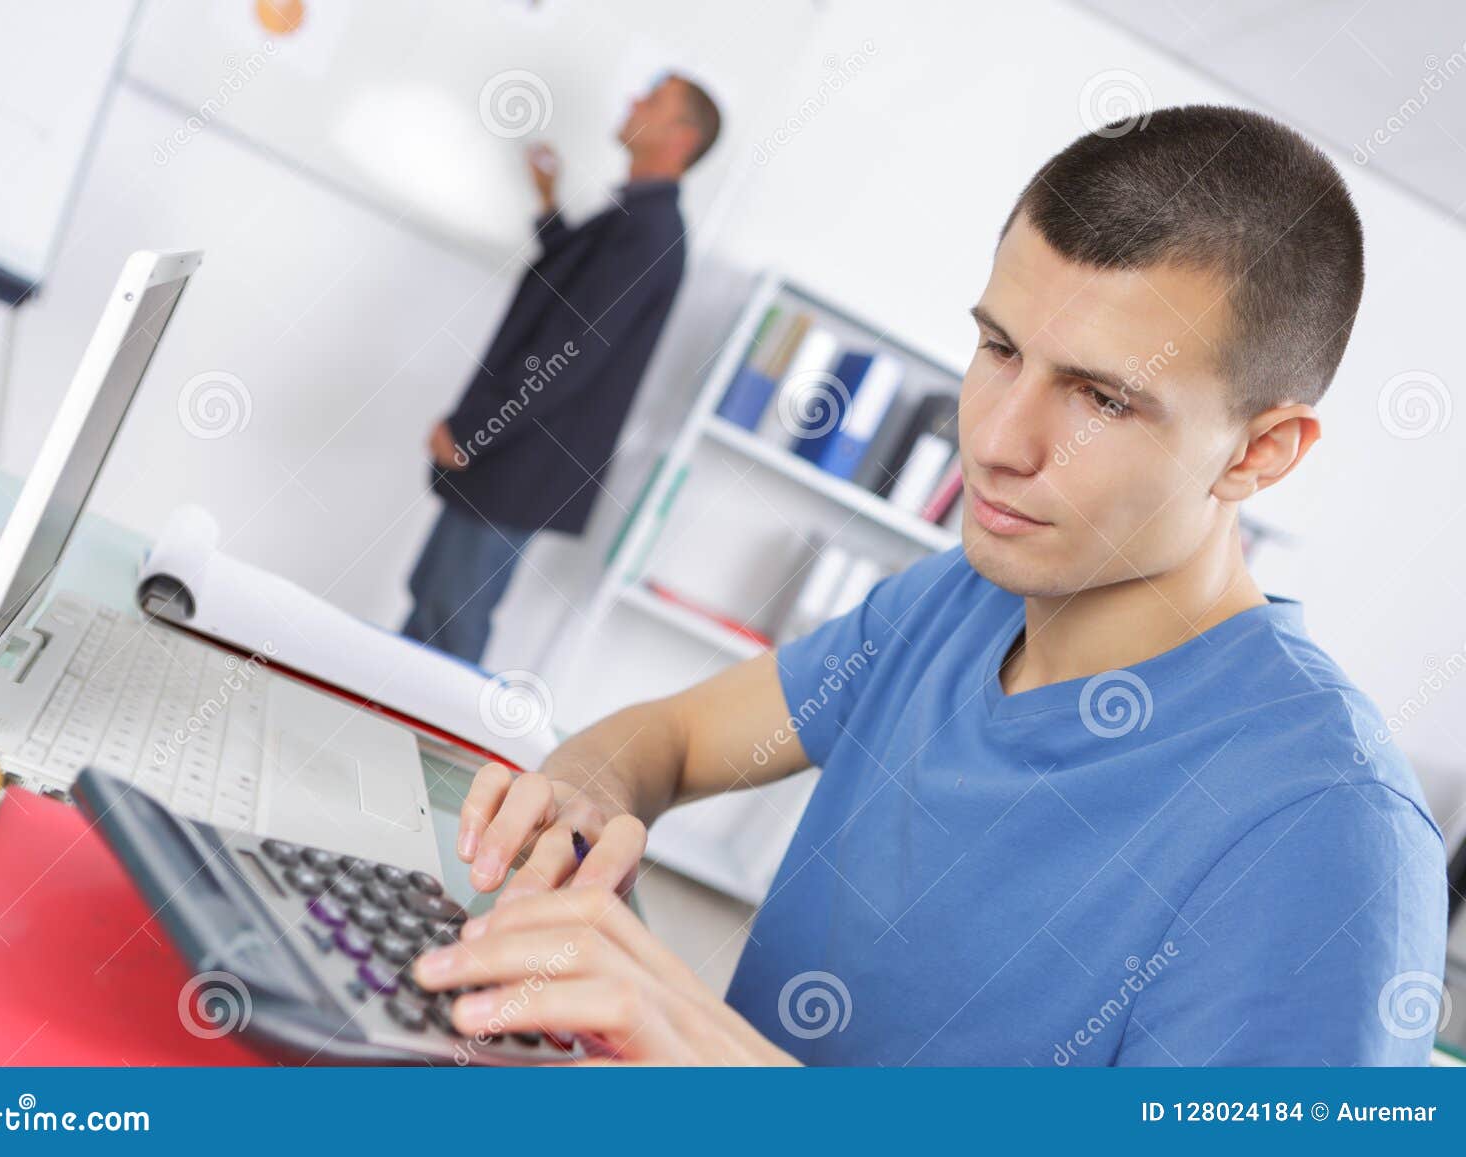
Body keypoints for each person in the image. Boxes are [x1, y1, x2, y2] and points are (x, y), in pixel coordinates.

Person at [409, 105, 1449, 1066]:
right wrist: (586, 800)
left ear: (1259, 455)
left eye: (1102, 398)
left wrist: (715, 1061)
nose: (994, 442)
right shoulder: (953, 603)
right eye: (998, 347)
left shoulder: (1328, 832)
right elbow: (671, 739)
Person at [401, 74, 722, 664]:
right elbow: (573, 288)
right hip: (514, 450)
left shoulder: (652, 231)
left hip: (518, 454)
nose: (631, 100)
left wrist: (474, 431)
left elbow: (572, 349)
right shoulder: (635, 217)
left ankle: (444, 755)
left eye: (650, 100)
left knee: (450, 619)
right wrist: (549, 201)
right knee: (431, 604)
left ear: (680, 138)